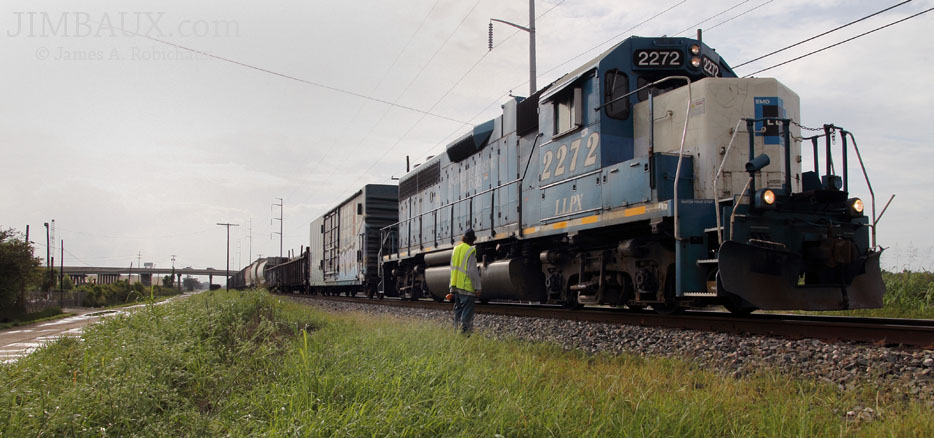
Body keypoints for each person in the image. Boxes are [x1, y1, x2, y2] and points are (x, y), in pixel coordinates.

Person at [449, 228, 481, 335]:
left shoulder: (455, 249)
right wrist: (477, 287)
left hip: (456, 287)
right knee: (467, 314)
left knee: (458, 312)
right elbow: (472, 271)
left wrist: (451, 288)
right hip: (467, 288)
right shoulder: (470, 250)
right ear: (473, 240)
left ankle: (457, 334)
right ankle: (465, 336)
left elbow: (452, 268)